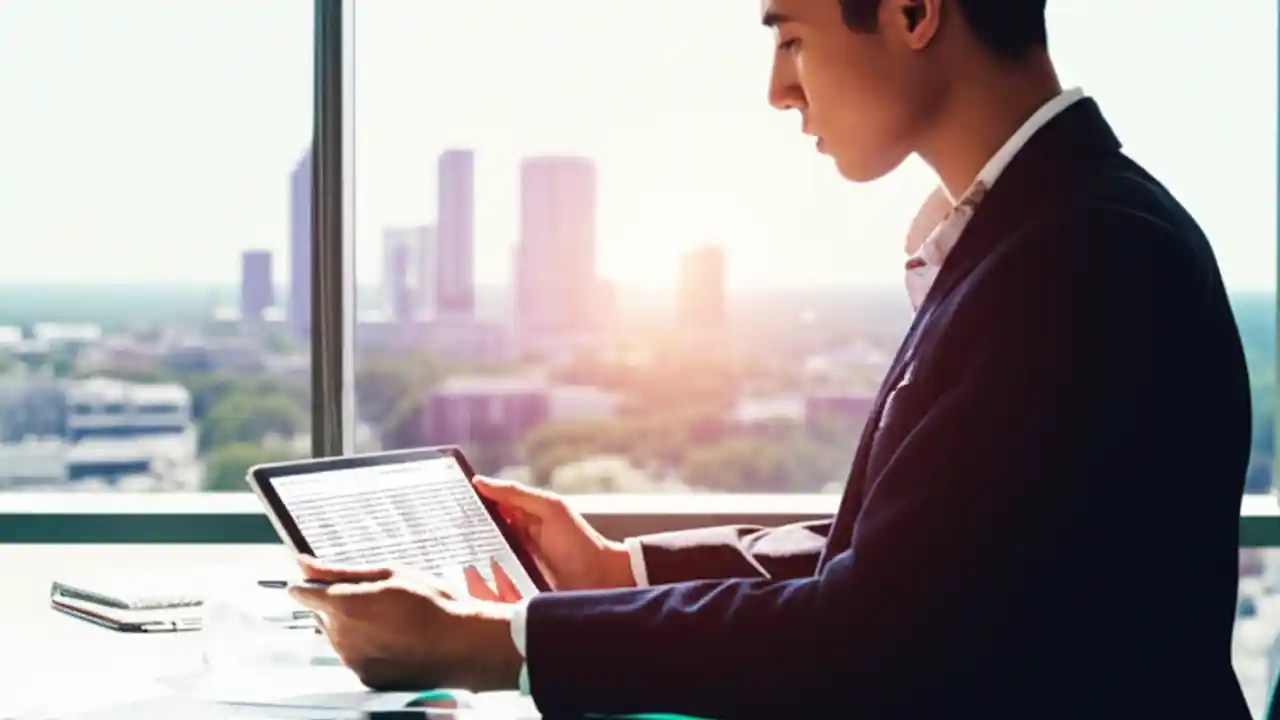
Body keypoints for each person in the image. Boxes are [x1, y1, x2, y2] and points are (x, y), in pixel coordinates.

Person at [290, 1, 1254, 717]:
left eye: (790, 36)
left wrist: (496, 643)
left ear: (914, 11)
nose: (777, 89)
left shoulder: (1078, 257)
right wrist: (619, 568)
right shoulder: (1056, 229)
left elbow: (873, 633)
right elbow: (927, 556)